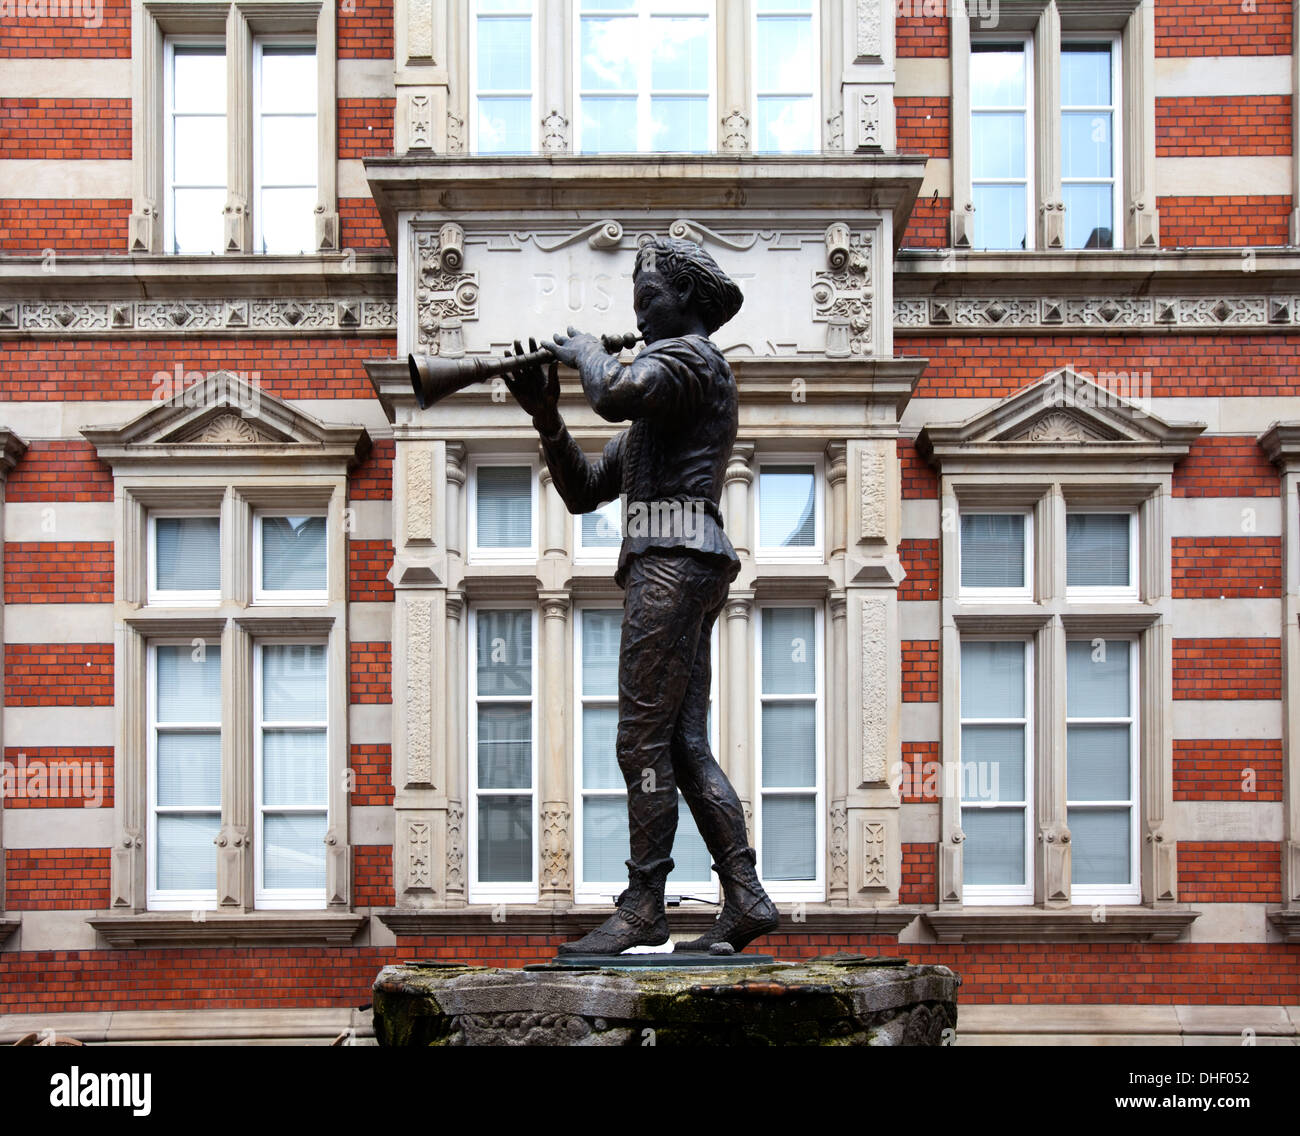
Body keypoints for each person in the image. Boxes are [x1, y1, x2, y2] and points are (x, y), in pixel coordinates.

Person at [502, 236, 780, 955]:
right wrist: (545, 416)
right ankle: (745, 897)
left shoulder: (690, 362)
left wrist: (588, 352)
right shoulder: (661, 408)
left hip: (673, 560)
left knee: (640, 742)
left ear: (685, 296)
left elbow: (614, 391)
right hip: (677, 561)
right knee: (682, 744)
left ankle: (644, 904)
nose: (638, 308)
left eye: (648, 295)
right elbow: (585, 490)